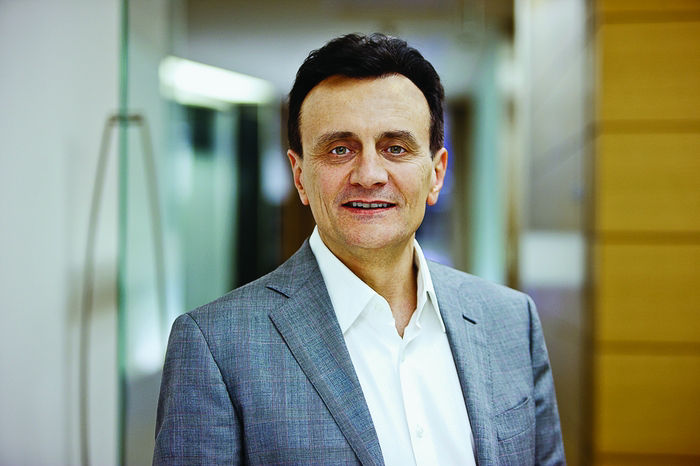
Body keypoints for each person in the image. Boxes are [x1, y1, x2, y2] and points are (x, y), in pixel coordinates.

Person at [154, 33, 565, 465]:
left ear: (436, 174)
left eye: (395, 148)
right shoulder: (215, 347)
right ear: (299, 176)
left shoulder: (511, 321)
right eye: (340, 149)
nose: (369, 174)